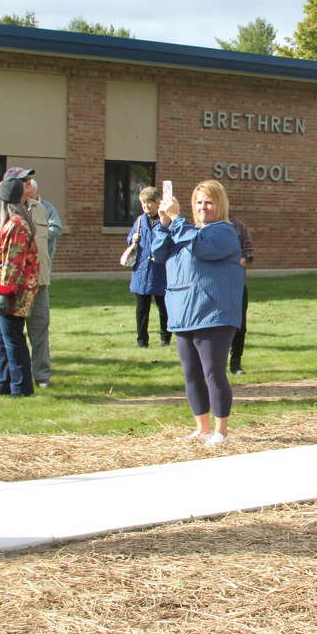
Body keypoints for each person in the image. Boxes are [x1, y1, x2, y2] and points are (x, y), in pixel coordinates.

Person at [151, 180, 245, 445]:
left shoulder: (223, 232)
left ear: (220, 205)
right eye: (199, 202)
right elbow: (159, 253)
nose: (203, 207)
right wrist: (164, 224)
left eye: (209, 202)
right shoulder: (185, 231)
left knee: (213, 372)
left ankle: (221, 430)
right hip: (184, 313)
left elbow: (203, 247)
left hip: (214, 313)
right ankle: (201, 427)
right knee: (191, 372)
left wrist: (177, 219)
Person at [3, 168, 63, 388]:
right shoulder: (0, 210)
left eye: (29, 180)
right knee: (12, 334)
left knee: (40, 329)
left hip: (39, 280)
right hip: (12, 283)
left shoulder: (41, 209)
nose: (29, 183)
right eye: (24, 181)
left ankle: (42, 376)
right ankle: (15, 377)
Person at [0, 178, 39, 398]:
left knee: (12, 339)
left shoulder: (17, 224)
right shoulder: (2, 221)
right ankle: (2, 383)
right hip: (0, 287)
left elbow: (14, 261)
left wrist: (5, 293)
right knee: (1, 339)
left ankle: (21, 387)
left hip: (15, 289)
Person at [127, 186, 169, 348]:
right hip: (142, 270)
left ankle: (165, 338)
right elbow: (129, 238)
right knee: (141, 310)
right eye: (143, 204)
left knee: (164, 308)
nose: (146, 207)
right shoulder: (139, 220)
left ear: (158, 202)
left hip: (160, 270)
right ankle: (141, 340)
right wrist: (133, 238)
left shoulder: (165, 220)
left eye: (149, 203)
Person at [226, 213, 256, 373]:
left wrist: (244, 259)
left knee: (239, 325)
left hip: (237, 284)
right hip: (213, 287)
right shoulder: (202, 226)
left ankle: (235, 363)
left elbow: (250, 251)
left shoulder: (238, 226)